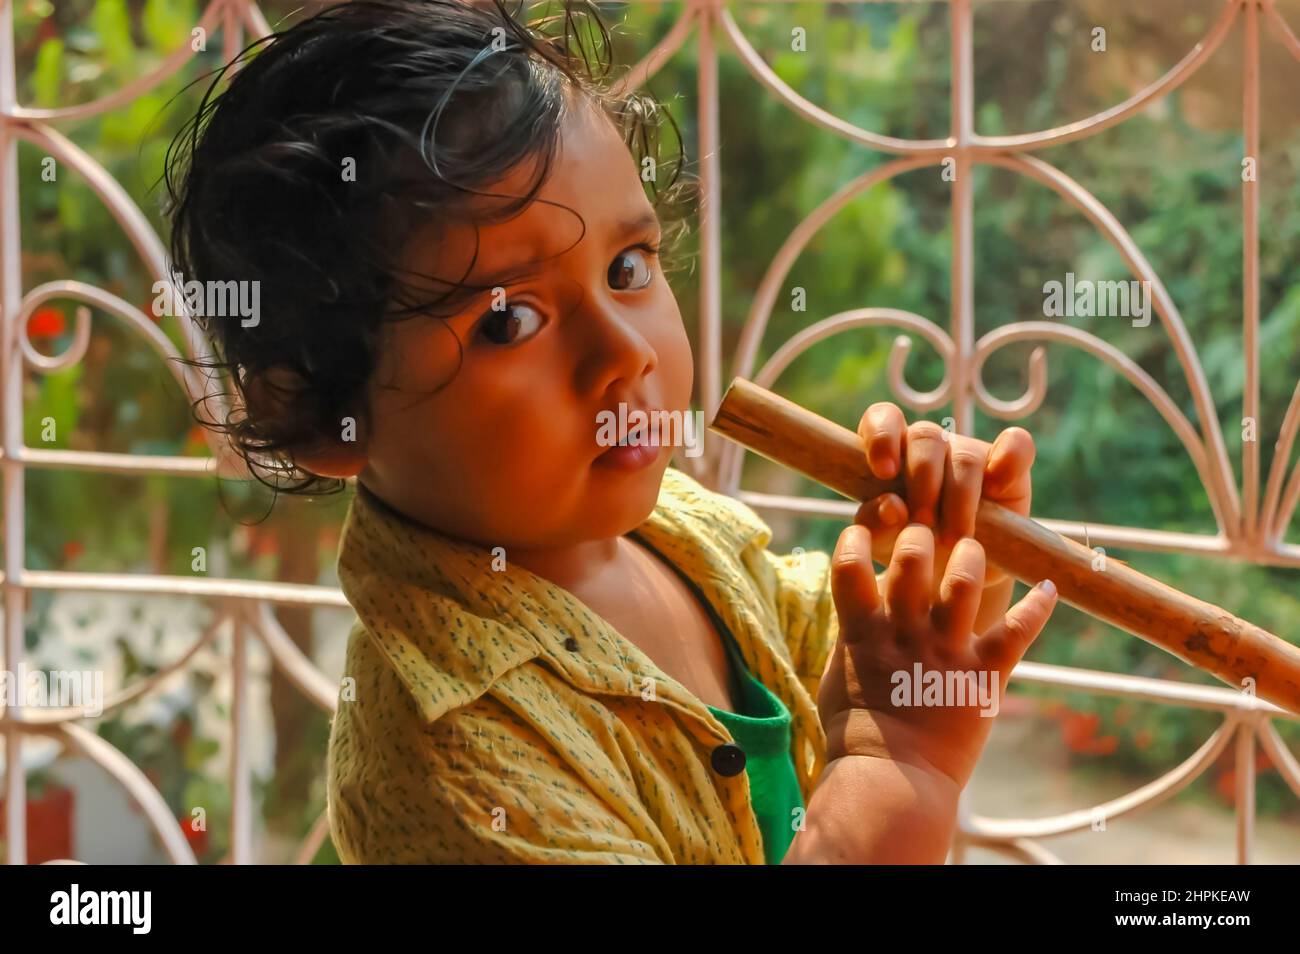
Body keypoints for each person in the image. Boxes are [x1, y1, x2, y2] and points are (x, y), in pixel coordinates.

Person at [165, 0, 1058, 864]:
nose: (624, 355)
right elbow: (876, 737)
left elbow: (831, 658)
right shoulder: (458, 763)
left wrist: (930, 577)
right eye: (508, 323)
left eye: (628, 267)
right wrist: (898, 762)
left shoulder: (668, 528)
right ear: (317, 415)